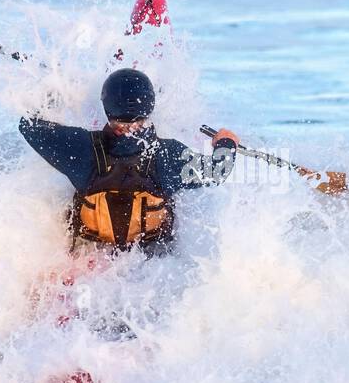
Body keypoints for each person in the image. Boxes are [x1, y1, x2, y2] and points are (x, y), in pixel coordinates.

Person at [19, 67, 239, 256]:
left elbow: (28, 125)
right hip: (150, 266)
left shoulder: (80, 148)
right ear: (150, 108)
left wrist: (57, 95)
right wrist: (226, 143)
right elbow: (219, 171)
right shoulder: (168, 154)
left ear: (107, 109)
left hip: (93, 259)